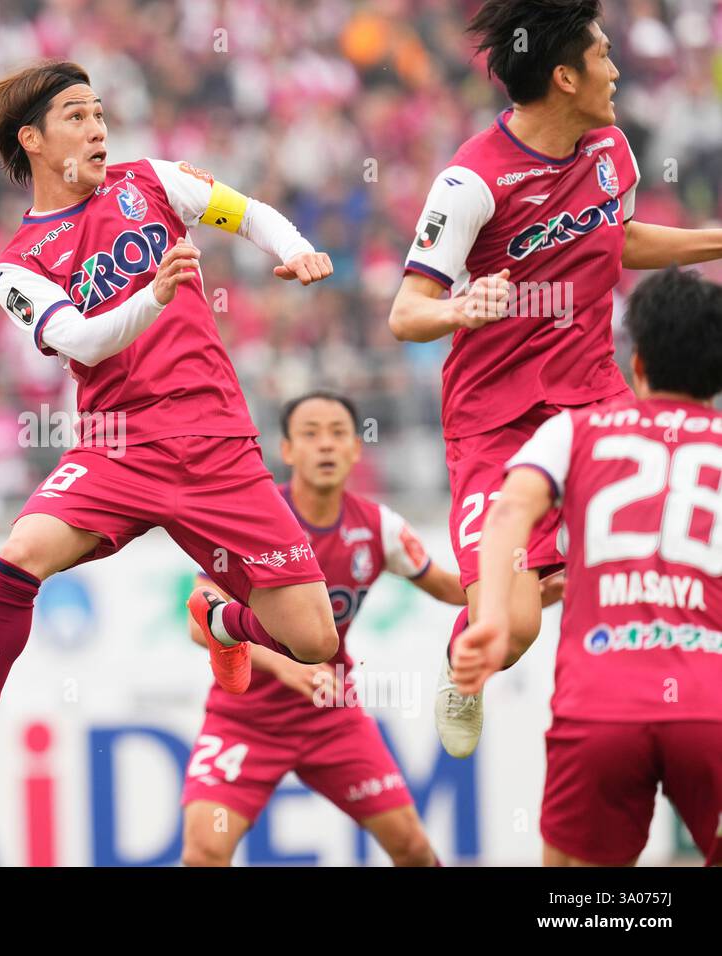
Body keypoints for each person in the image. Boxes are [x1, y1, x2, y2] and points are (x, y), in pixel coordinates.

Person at [0, 60, 339, 807]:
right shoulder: (17, 264)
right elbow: (85, 342)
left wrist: (290, 248)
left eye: (99, 113)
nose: (97, 127)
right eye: (76, 116)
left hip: (217, 442)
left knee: (315, 639)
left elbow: (247, 211)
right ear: (32, 139)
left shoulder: (153, 180)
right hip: (116, 447)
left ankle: (219, 618)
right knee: (19, 553)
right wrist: (156, 296)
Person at [389, 0, 722, 757]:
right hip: (492, 423)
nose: (615, 67)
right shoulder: (470, 182)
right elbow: (406, 314)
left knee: (643, 556)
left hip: (596, 403)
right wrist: (461, 307)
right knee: (512, 630)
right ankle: (463, 661)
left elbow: (622, 236)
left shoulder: (611, 149)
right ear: (565, 75)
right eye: (603, 54)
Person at [455, 267, 722, 866]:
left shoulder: (573, 431)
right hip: (711, 703)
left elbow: (506, 517)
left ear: (639, 365)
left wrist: (495, 618)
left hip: (602, 701)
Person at [182, 392, 465, 866]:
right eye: (310, 434)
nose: (326, 446)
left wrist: (519, 584)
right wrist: (285, 667)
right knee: (203, 851)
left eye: (338, 434)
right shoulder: (250, 516)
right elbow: (200, 621)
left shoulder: (378, 527)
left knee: (412, 848)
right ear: (288, 450)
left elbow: (451, 587)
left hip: (331, 713)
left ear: (357, 449)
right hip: (243, 719)